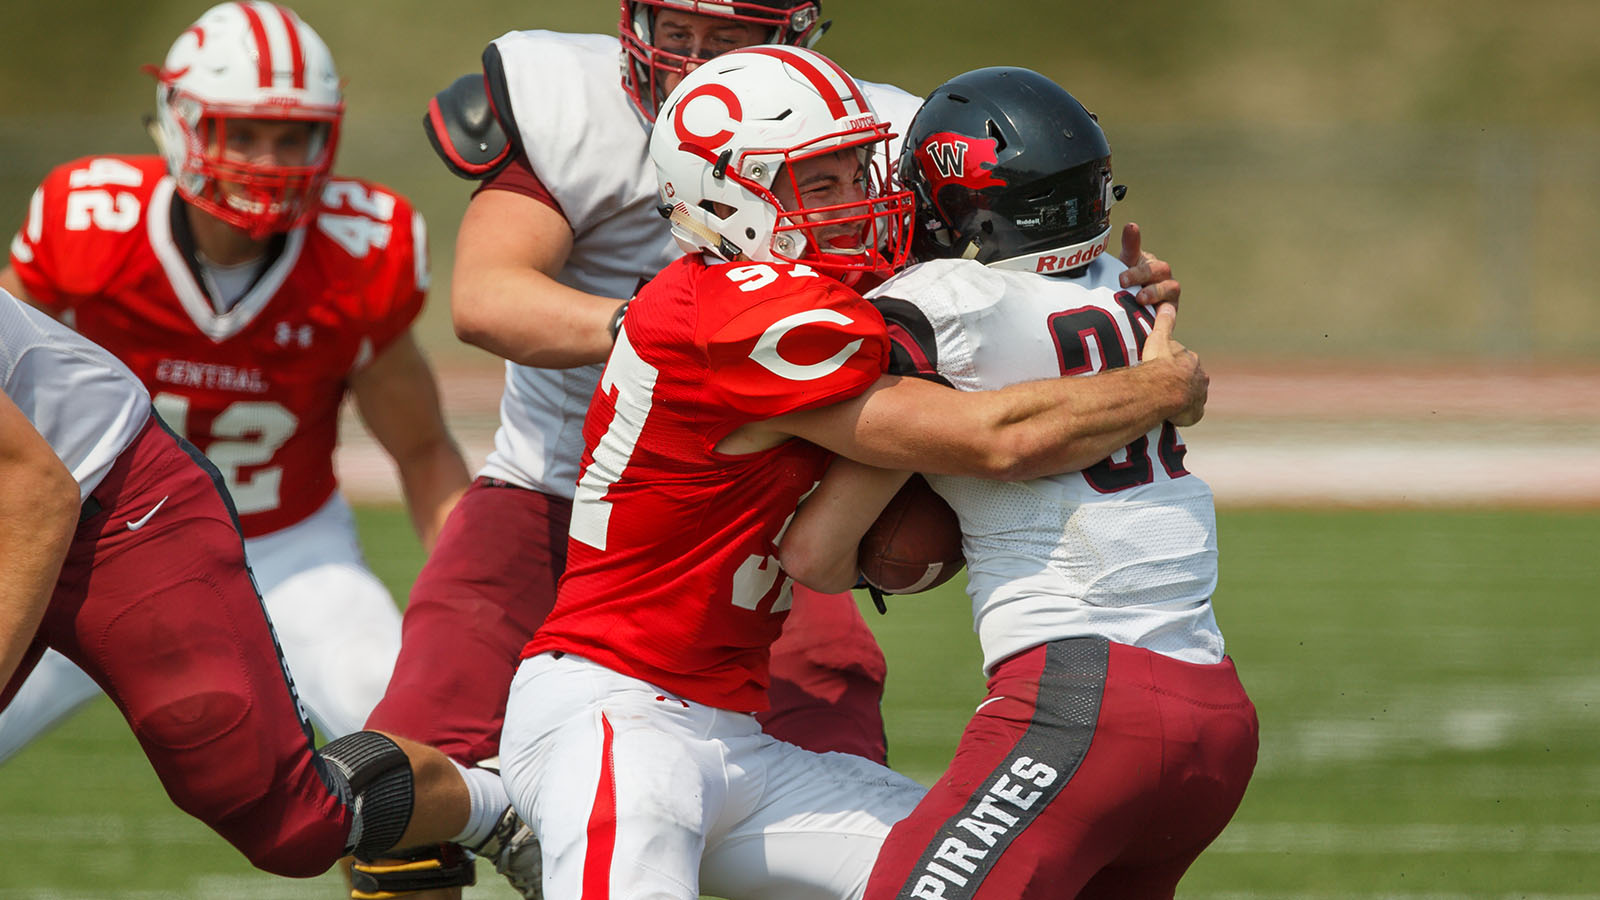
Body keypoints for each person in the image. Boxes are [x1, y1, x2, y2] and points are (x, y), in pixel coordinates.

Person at [496, 46, 1208, 900]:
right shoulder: (725, 310)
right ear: (728, 199)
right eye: (819, 184)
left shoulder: (825, 284)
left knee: (973, 880)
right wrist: (1153, 382)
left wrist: (1104, 294)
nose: (859, 203)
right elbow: (992, 437)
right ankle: (482, 801)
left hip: (739, 738)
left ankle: (475, 798)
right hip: (612, 712)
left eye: (853, 167)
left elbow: (993, 292)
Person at [779, 68, 1259, 899]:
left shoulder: (942, 301)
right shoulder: (1129, 289)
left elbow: (819, 555)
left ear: (966, 206)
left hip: (1086, 705)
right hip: (1217, 717)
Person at [0, 0, 470, 770]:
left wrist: (463, 613)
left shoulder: (360, 252)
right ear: (181, 122)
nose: (268, 159)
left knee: (405, 748)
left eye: (292, 136)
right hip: (87, 542)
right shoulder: (92, 223)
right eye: (241, 131)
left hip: (283, 547)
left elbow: (422, 450)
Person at [0, 286, 506, 880]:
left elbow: (34, 489)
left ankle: (502, 809)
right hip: (38, 503)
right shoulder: (91, 227)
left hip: (123, 508)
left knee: (294, 824)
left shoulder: (352, 254)